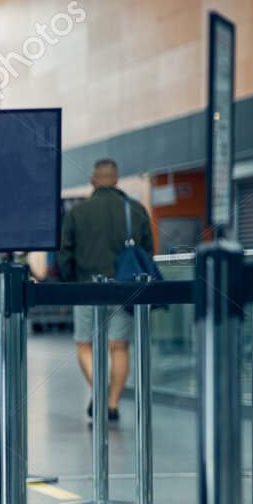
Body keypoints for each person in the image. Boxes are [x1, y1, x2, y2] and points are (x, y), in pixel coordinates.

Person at [57, 158, 154, 422]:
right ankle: (112, 404)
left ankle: (99, 390)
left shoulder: (78, 213)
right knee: (119, 347)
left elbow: (64, 254)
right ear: (116, 178)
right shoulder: (136, 210)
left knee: (84, 344)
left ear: (93, 180)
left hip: (86, 288)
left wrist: (69, 282)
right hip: (125, 288)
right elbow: (148, 253)